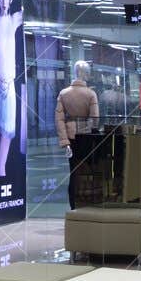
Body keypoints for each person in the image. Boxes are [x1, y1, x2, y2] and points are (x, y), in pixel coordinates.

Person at [0, 0, 23, 178]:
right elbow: (0, 57)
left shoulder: (13, 19)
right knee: (0, 128)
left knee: (7, 129)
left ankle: (1, 169)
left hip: (8, 84)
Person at [55, 60, 99, 207]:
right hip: (87, 137)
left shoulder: (63, 93)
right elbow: (95, 119)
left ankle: (73, 205)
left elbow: (59, 119)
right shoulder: (91, 94)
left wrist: (65, 141)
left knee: (73, 173)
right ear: (84, 73)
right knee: (88, 171)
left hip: (71, 137)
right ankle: (87, 203)